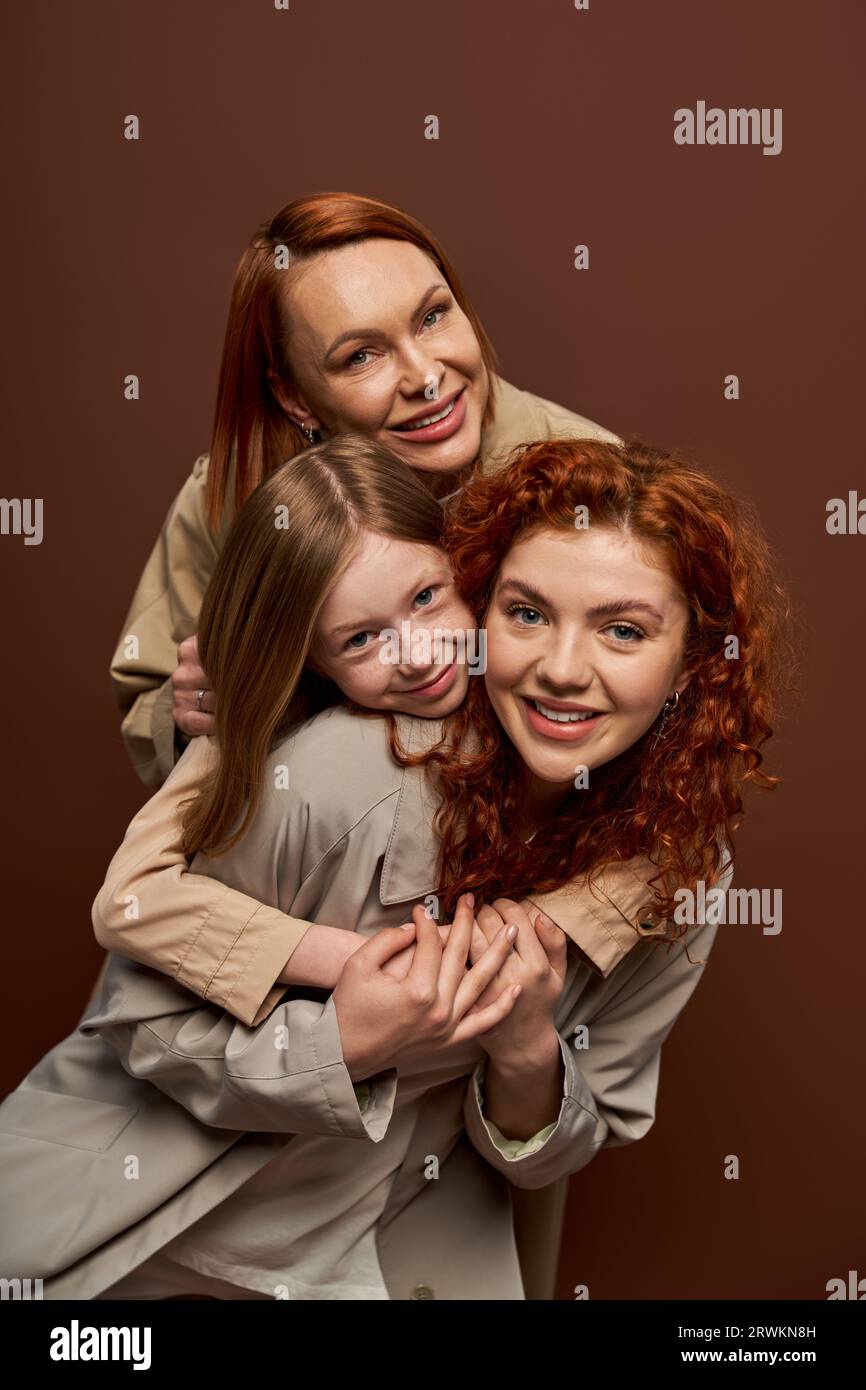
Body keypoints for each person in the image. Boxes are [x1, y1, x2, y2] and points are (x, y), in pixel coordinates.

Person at [0, 437, 791, 1301]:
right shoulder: (345, 770)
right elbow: (137, 1018)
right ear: (485, 604)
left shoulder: (685, 869)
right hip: (148, 1229)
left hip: (377, 1254)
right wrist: (345, 1039)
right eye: (526, 614)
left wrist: (525, 1048)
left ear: (692, 663)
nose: (563, 670)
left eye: (625, 631)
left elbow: (551, 1155)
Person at [110, 190, 621, 788]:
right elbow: (146, 695)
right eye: (360, 357)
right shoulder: (234, 495)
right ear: (295, 396)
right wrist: (192, 708)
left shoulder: (589, 482)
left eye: (432, 317)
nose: (427, 378)